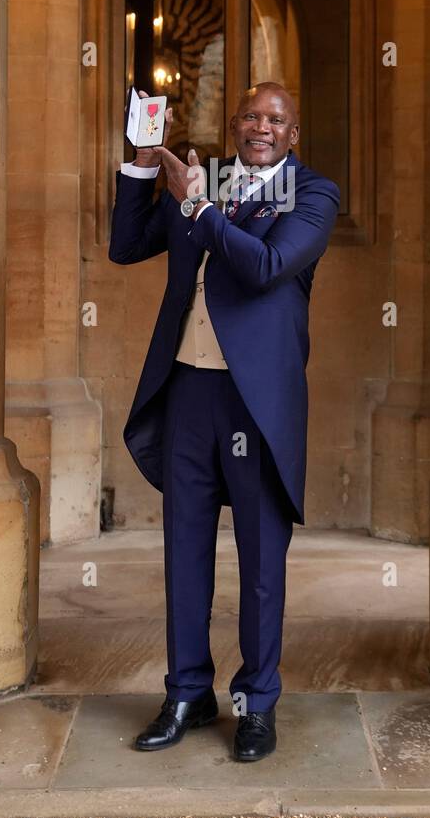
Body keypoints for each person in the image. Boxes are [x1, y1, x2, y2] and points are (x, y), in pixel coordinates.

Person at [108, 81, 340, 761]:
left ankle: (256, 703)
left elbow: (265, 266)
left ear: (293, 134)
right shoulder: (199, 181)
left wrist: (201, 204)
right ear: (233, 123)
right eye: (249, 115)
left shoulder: (312, 193)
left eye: (274, 118)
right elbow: (125, 245)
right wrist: (146, 164)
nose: (259, 126)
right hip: (187, 392)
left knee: (261, 561)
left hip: (258, 403)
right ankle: (186, 692)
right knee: (184, 549)